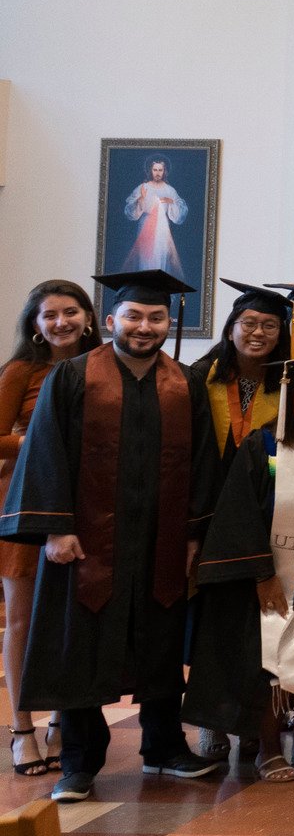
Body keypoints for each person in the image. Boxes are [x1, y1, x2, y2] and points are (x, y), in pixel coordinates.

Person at [0, 270, 222, 801]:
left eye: (156, 317)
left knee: (161, 645)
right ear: (112, 319)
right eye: (134, 316)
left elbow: (201, 464)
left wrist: (194, 536)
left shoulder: (185, 382)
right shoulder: (74, 377)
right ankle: (79, 762)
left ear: (170, 322)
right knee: (81, 648)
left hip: (160, 542)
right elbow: (45, 453)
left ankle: (165, 748)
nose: (145, 327)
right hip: (87, 544)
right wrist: (56, 528)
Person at [184, 352, 294, 783]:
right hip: (260, 582)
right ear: (289, 399)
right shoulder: (262, 446)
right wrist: (263, 577)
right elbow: (238, 515)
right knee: (270, 662)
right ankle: (268, 749)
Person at [0, 280, 98, 778]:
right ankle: (21, 729)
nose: (61, 322)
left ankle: (63, 720)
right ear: (35, 324)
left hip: (86, 509)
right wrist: (35, 438)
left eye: (70, 311)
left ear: (88, 315)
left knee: (70, 619)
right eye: (49, 314)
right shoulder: (22, 371)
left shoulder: (102, 365)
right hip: (26, 507)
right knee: (21, 620)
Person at [189, 281, 290, 472]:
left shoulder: (287, 383)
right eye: (249, 324)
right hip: (207, 486)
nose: (259, 332)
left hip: (259, 489)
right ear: (229, 331)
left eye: (270, 326)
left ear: (279, 338)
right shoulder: (202, 375)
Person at [120, 155, 189, 273]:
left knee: (161, 258)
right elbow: (130, 210)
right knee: (144, 259)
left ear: (164, 171)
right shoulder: (143, 187)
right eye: (155, 170)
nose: (157, 173)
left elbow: (181, 210)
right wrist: (141, 198)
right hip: (145, 228)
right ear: (150, 171)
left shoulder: (169, 190)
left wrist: (170, 201)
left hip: (162, 229)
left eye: (160, 170)